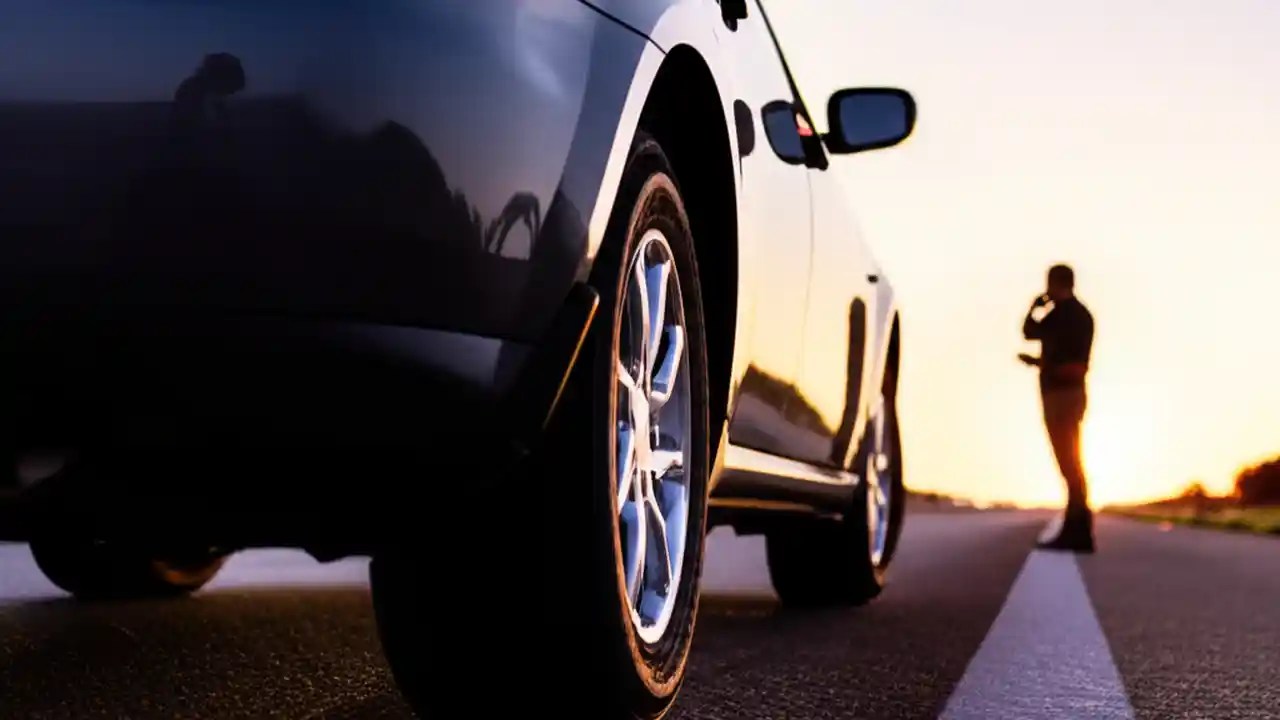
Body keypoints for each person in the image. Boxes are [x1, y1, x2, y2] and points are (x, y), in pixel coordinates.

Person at [1019, 264, 1096, 552]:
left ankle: (1078, 529)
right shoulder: (1067, 314)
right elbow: (1030, 331)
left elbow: (1075, 363)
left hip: (1064, 394)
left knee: (1070, 463)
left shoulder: (1071, 316)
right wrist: (1034, 308)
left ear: (1055, 283)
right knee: (1069, 463)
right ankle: (1077, 528)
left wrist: (1043, 365)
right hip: (1063, 392)